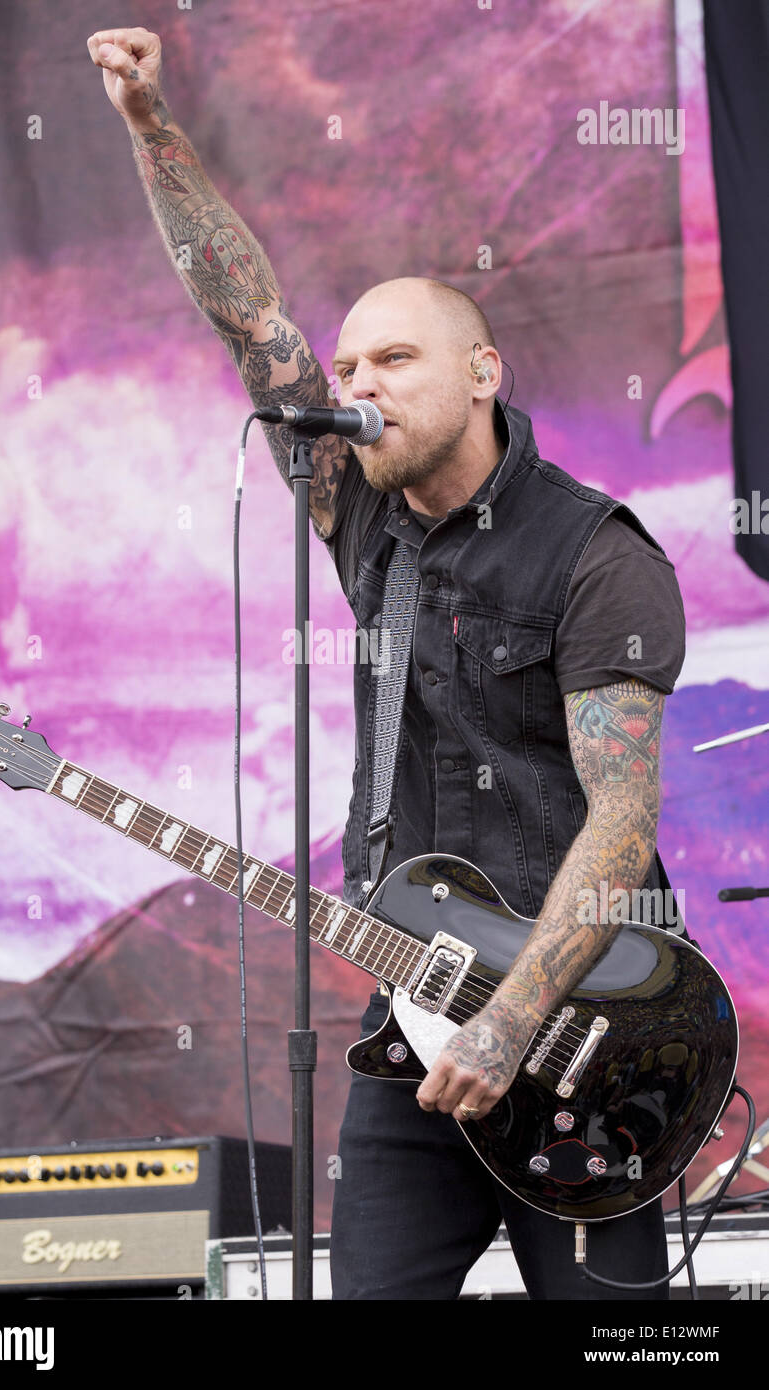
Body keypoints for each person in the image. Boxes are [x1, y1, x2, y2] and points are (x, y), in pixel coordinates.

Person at [89, 27, 686, 1300]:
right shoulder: (361, 515)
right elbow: (246, 312)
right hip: (410, 1036)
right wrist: (148, 123)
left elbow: (622, 824)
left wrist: (515, 1017)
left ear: (481, 375)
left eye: (392, 361)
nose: (356, 385)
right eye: (347, 366)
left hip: (582, 1044)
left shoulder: (593, 555)